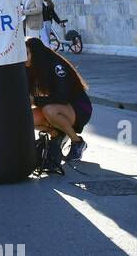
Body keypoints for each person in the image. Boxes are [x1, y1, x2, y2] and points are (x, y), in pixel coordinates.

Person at [25, 36, 92, 170]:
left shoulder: (56, 66)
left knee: (49, 110)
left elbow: (62, 97)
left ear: (36, 54)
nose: (23, 58)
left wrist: (36, 100)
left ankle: (77, 142)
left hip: (79, 108)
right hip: (54, 107)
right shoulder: (29, 68)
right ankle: (56, 135)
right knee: (25, 118)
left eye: (26, 53)